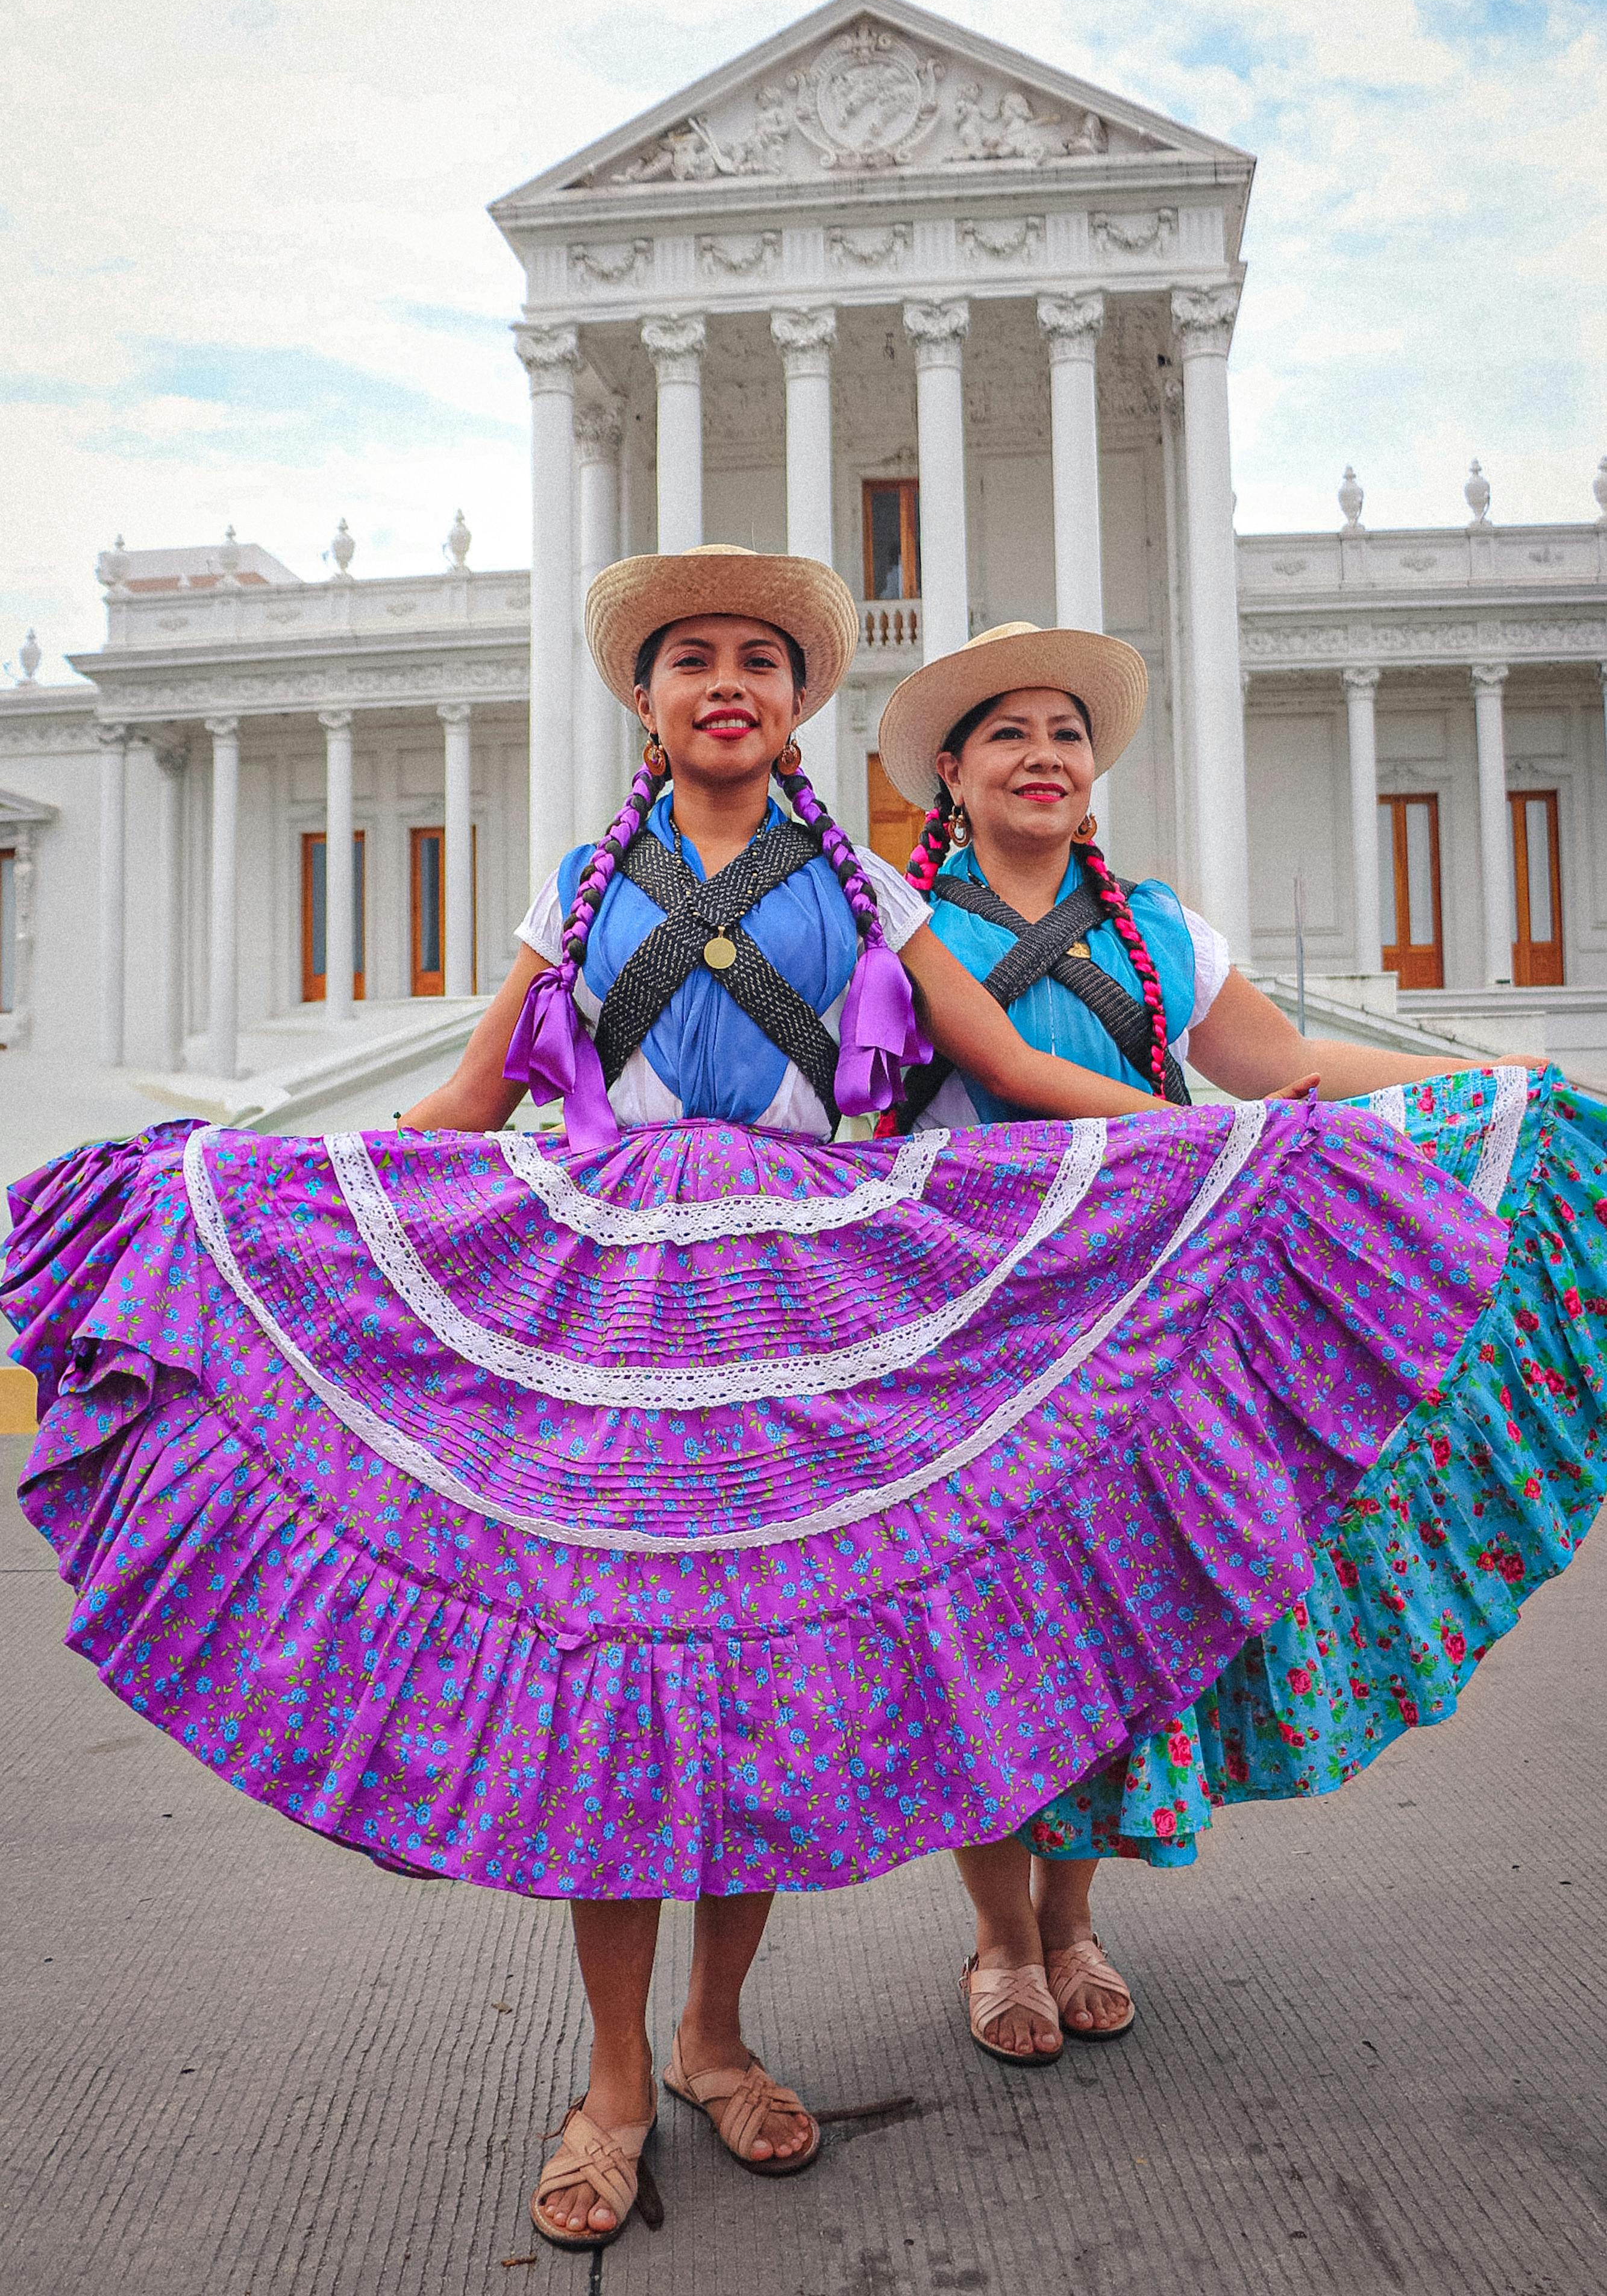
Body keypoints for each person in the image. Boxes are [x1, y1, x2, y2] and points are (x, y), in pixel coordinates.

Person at [1, 554, 1587, 2261]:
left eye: (760, 660)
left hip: (803, 1297)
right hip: (603, 1303)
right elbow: (466, 1101)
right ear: (649, 699)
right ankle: (611, 2078)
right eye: (694, 661)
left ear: (800, 702)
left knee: (746, 1666)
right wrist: (244, 1187)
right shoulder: (576, 886)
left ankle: (718, 2037)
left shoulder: (876, 893)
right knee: (612, 1680)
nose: (727, 684)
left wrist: (1204, 1142)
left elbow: (1013, 1066)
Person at [876, 619, 1604, 2065]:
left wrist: (1475, 1074)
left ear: (1091, 777)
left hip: (1139, 1317)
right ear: (949, 776)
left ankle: (1072, 1914)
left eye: (1066, 735)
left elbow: (1277, 1072)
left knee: (1113, 1620)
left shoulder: (1155, 928)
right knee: (984, 1631)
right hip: (969, 1320)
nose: (1042, 756)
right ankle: (1000, 1936)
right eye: (1007, 734)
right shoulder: (885, 932)